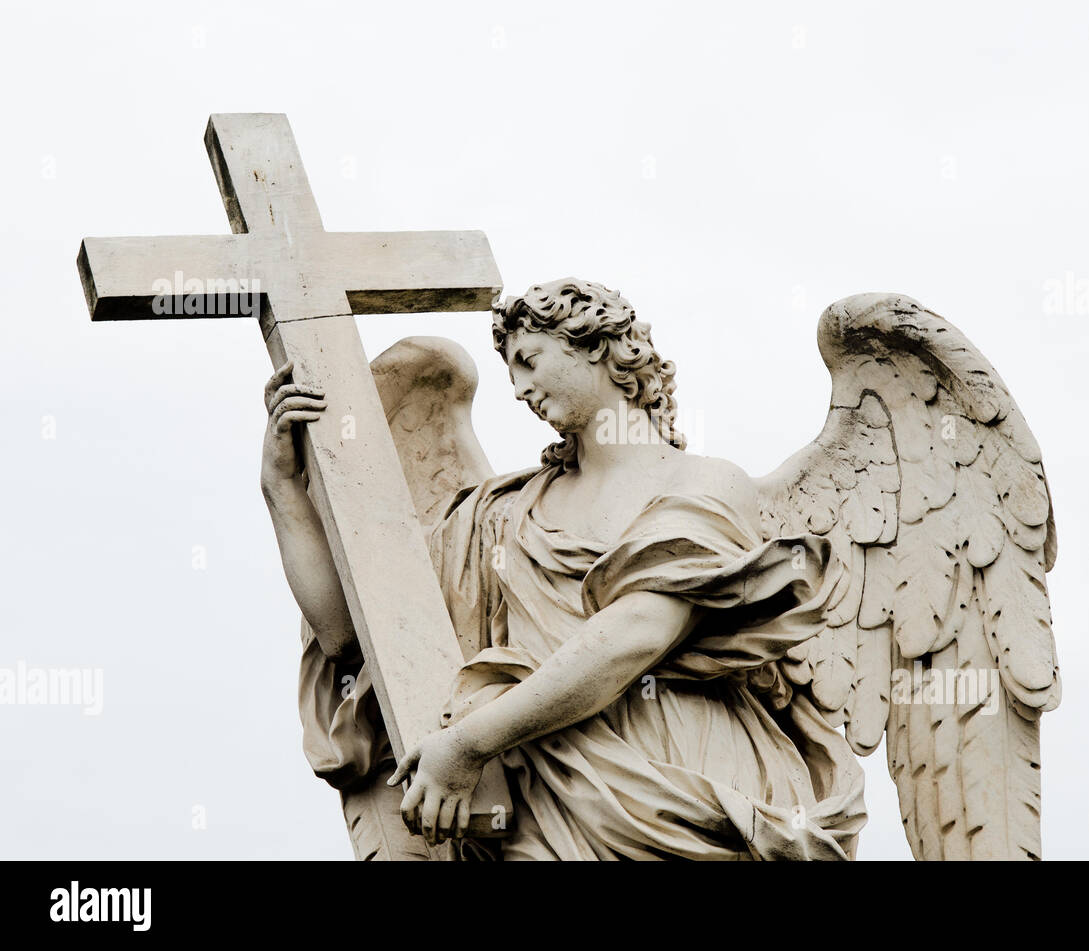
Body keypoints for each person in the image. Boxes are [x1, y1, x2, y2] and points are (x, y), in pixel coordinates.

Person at [262, 278, 867, 860]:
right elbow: (351, 632)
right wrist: (284, 490)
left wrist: (471, 743)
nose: (521, 390)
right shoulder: (502, 515)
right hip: (547, 806)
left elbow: (639, 632)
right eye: (511, 373)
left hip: (692, 779)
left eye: (530, 360)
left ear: (597, 347)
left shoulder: (704, 483)